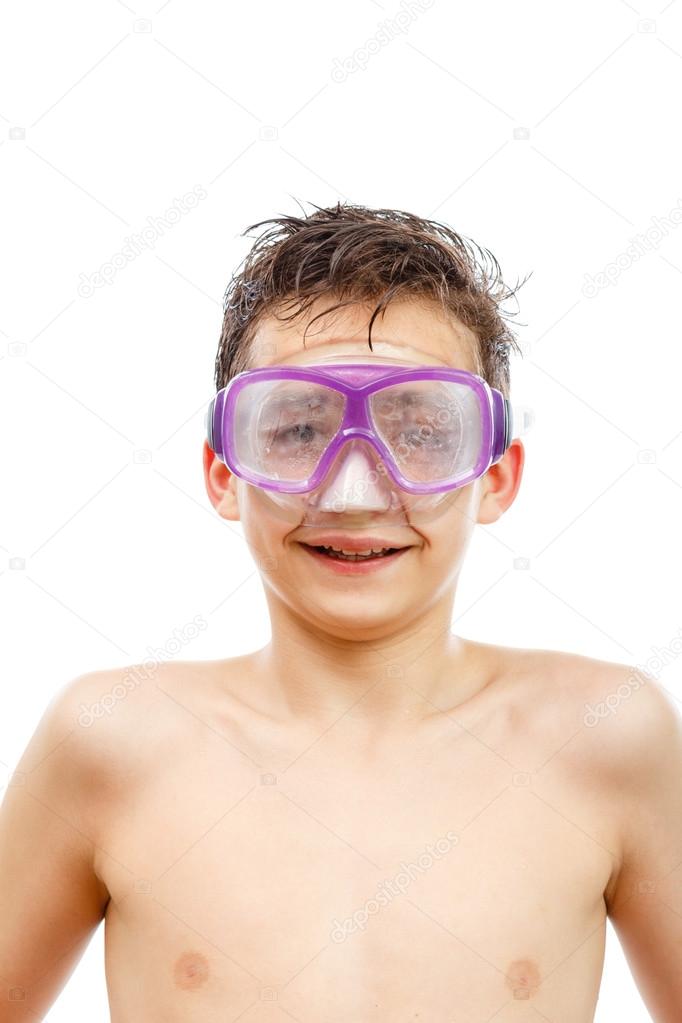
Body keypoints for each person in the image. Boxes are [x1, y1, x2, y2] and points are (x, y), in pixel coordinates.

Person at [2, 202, 681, 1021]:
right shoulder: (109, 740)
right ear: (224, 473)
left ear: (495, 477)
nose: (354, 492)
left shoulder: (606, 737)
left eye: (422, 431)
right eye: (295, 429)